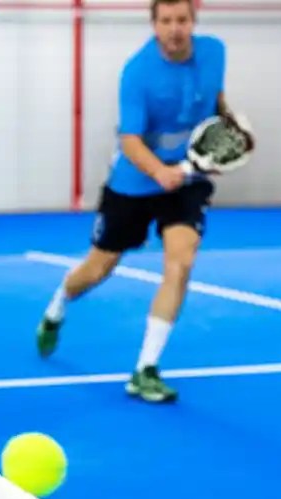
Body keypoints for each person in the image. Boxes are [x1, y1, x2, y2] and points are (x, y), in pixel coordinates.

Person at [36, 0, 242, 403]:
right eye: (166, 21)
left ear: (193, 21)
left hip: (186, 180)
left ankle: (145, 369)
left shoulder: (215, 52)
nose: (175, 29)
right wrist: (158, 172)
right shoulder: (137, 73)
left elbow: (215, 99)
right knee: (97, 270)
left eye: (181, 20)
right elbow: (129, 139)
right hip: (133, 183)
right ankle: (57, 307)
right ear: (154, 24)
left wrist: (226, 135)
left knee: (181, 263)